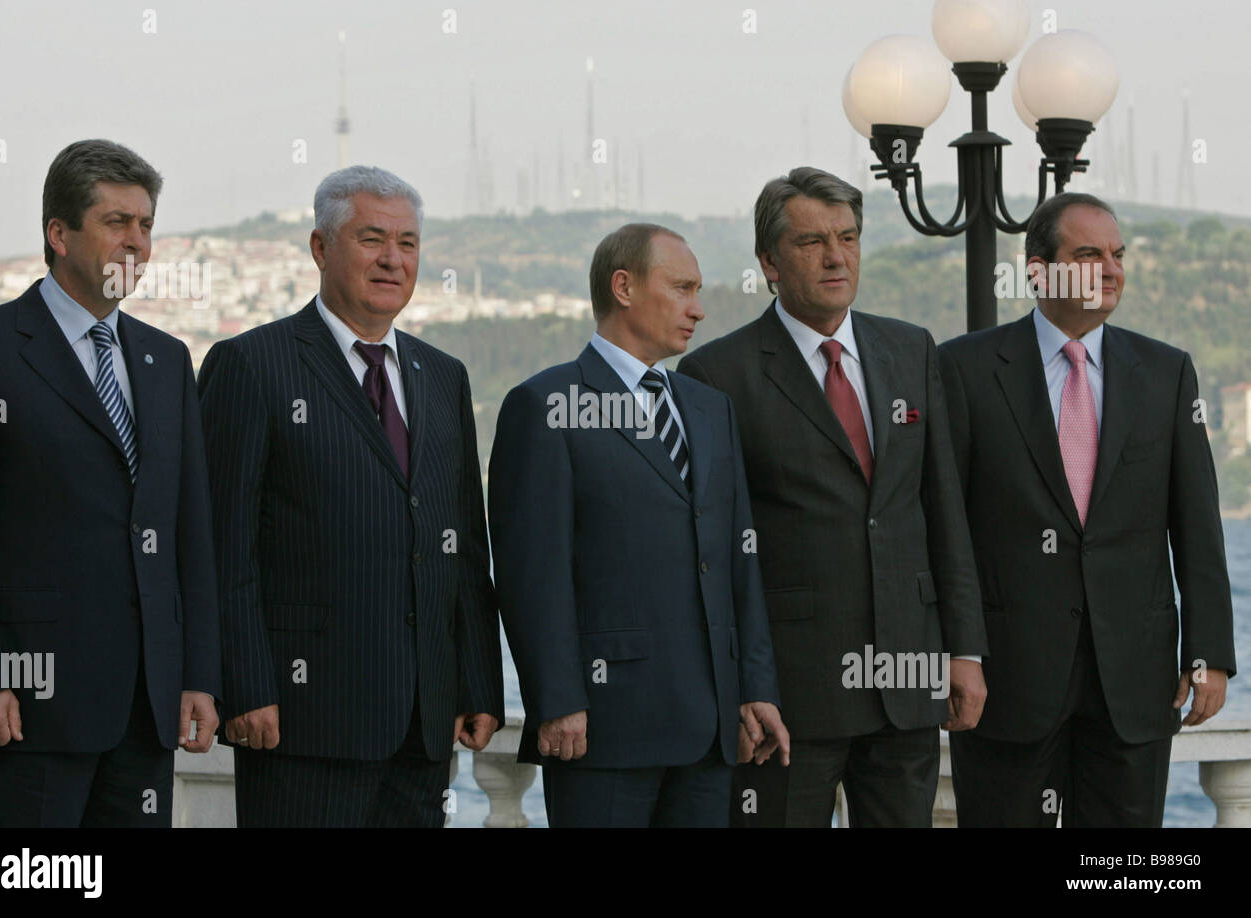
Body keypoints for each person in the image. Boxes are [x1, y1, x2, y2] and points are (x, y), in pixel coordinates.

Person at [679, 168, 987, 827]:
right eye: (812, 241)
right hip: (789, 696)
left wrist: (964, 651)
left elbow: (943, 514)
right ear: (768, 261)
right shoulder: (717, 374)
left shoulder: (912, 350)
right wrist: (736, 686)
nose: (835, 256)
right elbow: (711, 553)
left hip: (907, 681)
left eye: (848, 237)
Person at [197, 165, 503, 827]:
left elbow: (463, 549)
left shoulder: (443, 377)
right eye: (372, 239)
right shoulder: (251, 365)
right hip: (301, 725)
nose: (393, 259)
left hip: (422, 731)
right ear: (319, 248)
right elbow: (223, 549)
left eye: (409, 243)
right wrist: (244, 686)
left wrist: (477, 682)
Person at [937, 192, 1237, 827]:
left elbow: (1198, 525)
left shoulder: (1165, 372)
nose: (1110, 269)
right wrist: (957, 651)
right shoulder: (963, 368)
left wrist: (1208, 650)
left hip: (1134, 679)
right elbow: (946, 527)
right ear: (1039, 269)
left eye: (1118, 254)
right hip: (1005, 682)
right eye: (1088, 254)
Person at [0, 139, 221, 826]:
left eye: (146, 225)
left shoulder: (167, 360)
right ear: (59, 234)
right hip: (27, 712)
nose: (137, 242)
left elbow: (191, 536)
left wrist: (197, 676)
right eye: (117, 222)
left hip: (147, 710)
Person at [489, 223, 788, 827]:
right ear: (623, 287)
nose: (699, 309)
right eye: (681, 288)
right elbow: (531, 575)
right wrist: (557, 702)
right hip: (602, 730)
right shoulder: (544, 404)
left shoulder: (709, 409)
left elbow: (738, 561)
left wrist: (754, 688)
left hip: (710, 734)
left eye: (699, 291)